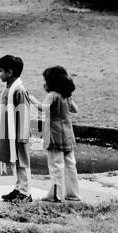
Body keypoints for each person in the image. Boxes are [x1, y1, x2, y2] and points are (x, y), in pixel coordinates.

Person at [41, 65, 81, 202]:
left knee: (56, 166)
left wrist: (31, 99)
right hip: (68, 135)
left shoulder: (52, 96)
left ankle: (55, 195)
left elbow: (42, 108)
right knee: (70, 165)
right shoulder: (67, 96)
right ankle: (73, 194)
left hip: (54, 136)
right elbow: (75, 110)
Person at [0, 54, 32, 202]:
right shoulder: (9, 88)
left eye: (0, 71)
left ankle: (25, 192)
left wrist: (22, 135)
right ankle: (18, 188)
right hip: (10, 132)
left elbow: (24, 113)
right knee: (15, 161)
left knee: (22, 162)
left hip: (18, 133)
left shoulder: (19, 90)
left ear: (9, 73)